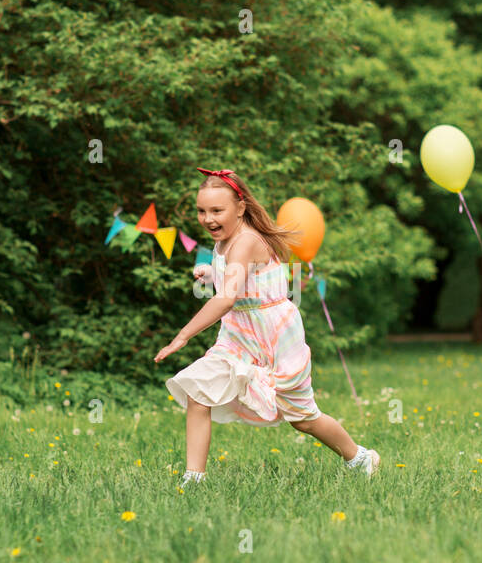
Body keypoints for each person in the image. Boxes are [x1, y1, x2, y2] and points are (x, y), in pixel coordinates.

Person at [155, 168, 378, 488]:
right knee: (197, 389)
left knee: (303, 419)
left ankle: (359, 457)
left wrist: (182, 336)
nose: (207, 219)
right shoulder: (223, 241)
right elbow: (237, 279)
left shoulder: (245, 240)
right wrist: (210, 272)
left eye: (217, 211)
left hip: (274, 336)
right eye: (201, 211)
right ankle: (194, 480)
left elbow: (227, 299)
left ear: (240, 208)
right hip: (239, 335)